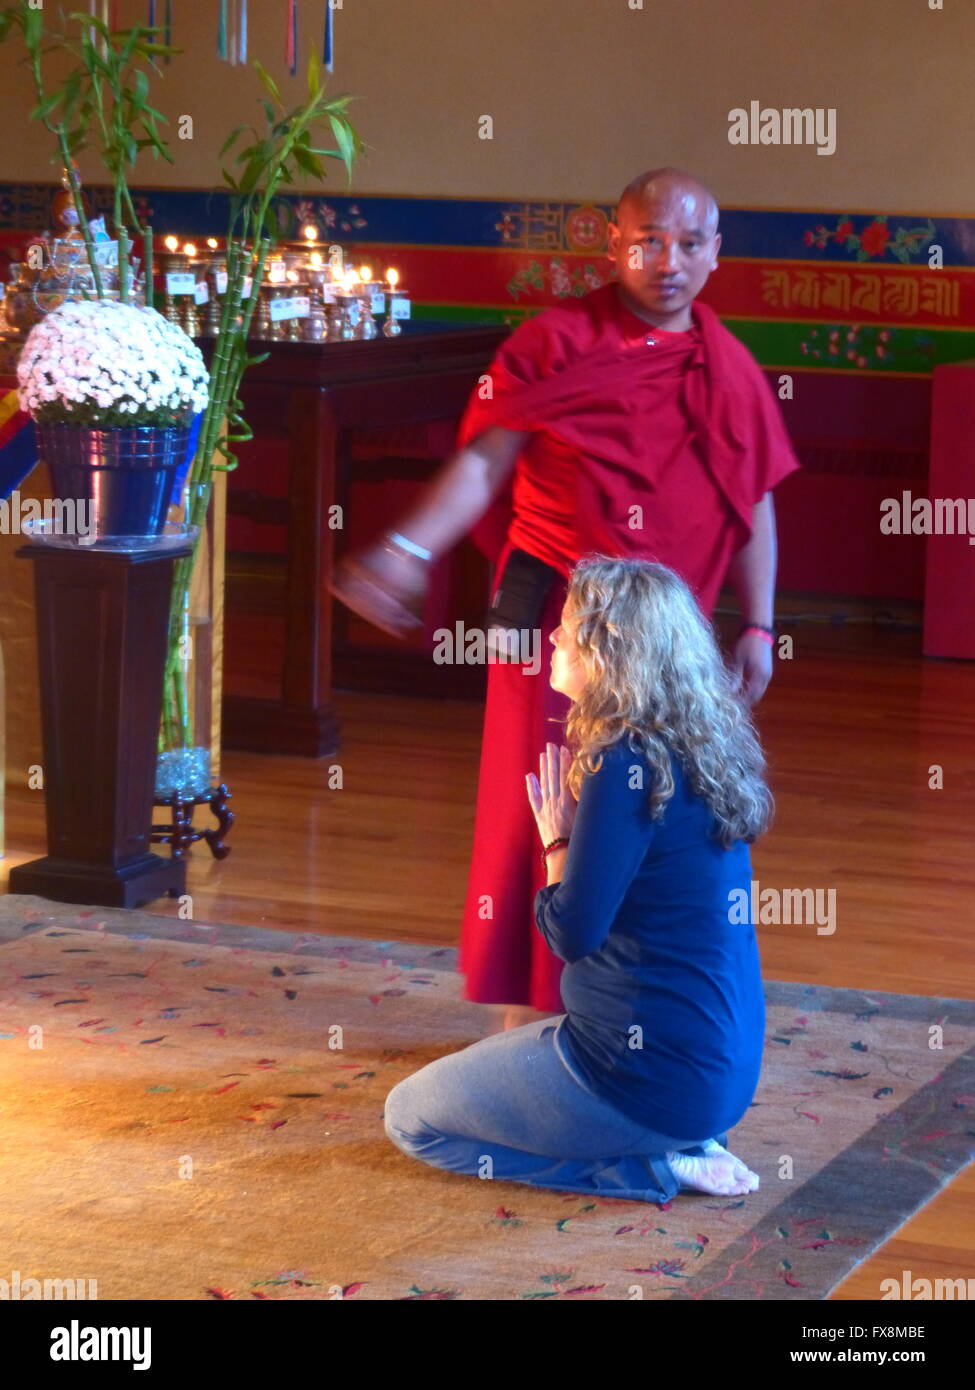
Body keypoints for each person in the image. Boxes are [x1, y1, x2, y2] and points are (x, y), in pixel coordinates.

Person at [330, 167, 800, 1030]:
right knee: (542, 800)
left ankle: (630, 1004)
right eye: (648, 240)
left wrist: (760, 624)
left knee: (655, 803)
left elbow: (753, 499)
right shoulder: (553, 341)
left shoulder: (726, 365)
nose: (669, 261)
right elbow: (481, 464)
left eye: (690, 243)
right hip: (551, 617)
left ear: (715, 253)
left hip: (672, 638)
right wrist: (404, 551)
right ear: (612, 244)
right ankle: (529, 1010)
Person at [383, 556, 768, 1203]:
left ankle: (643, 1165)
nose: (555, 638)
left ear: (609, 648)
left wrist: (556, 843)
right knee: (525, 1046)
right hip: (722, 1075)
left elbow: (572, 934)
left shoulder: (622, 761)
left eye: (567, 627)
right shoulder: (699, 747)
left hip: (650, 1077)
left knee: (410, 1116)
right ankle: (678, 1140)